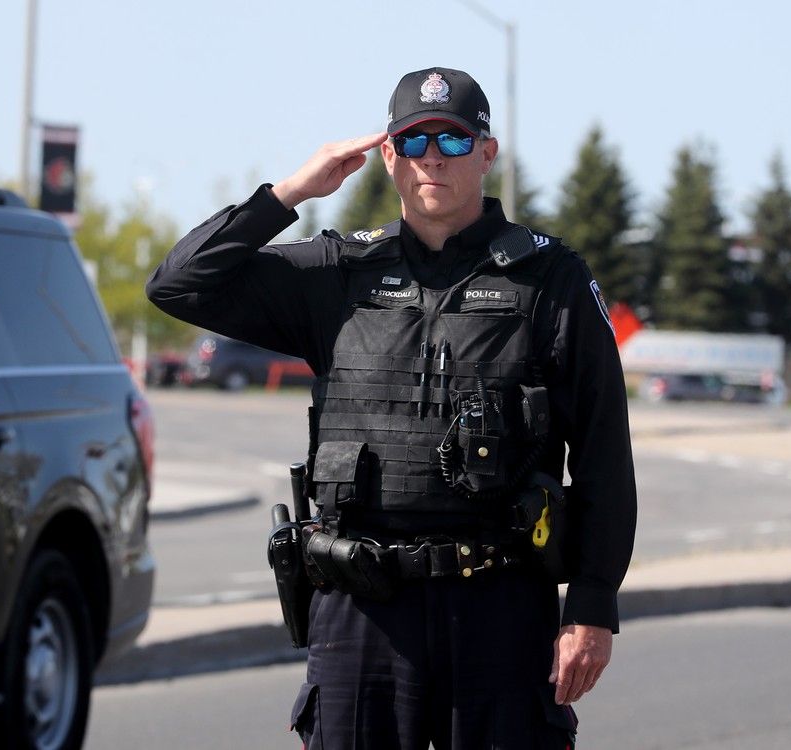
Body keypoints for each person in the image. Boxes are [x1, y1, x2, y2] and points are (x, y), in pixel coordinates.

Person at [146, 66, 636, 749]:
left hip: (499, 604)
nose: (433, 156)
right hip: (362, 613)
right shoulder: (337, 274)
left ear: (487, 153)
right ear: (388, 156)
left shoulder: (549, 279)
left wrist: (592, 605)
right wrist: (290, 192)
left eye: (454, 141)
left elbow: (604, 450)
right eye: (413, 140)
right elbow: (178, 285)